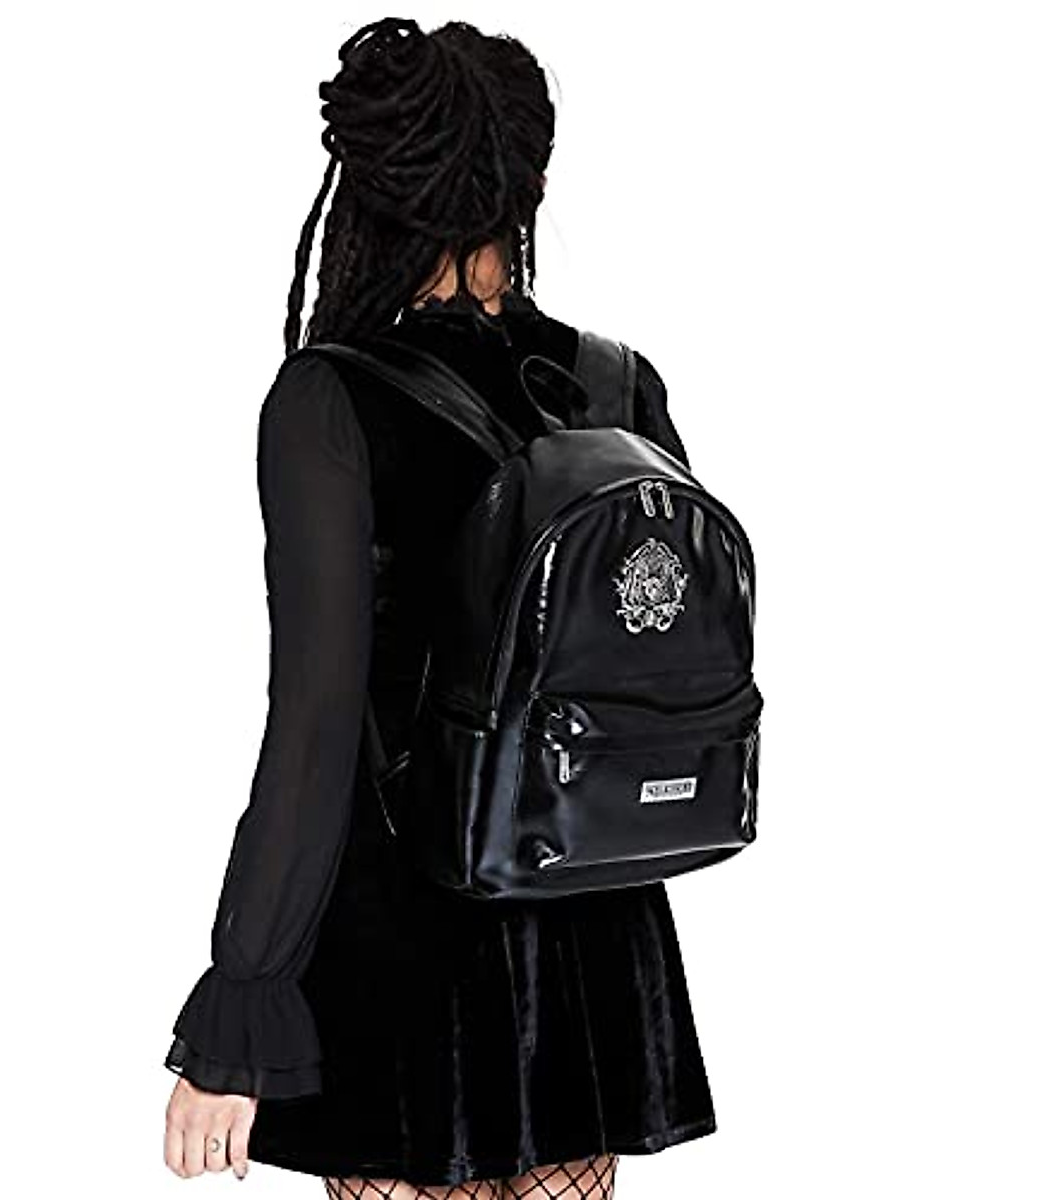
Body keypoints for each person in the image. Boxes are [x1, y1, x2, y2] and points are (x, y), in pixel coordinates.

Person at [162, 17, 717, 1197]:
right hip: (592, 925)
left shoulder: (331, 400)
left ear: (368, 186)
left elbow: (315, 726)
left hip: (407, 940)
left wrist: (240, 1003)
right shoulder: (615, 386)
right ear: (530, 184)